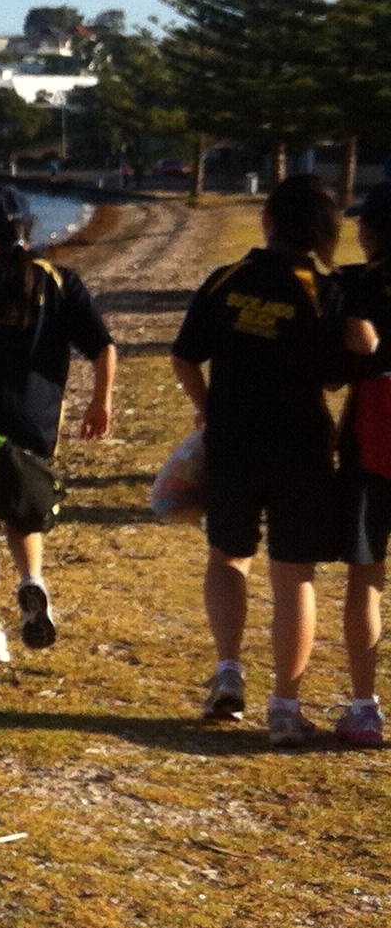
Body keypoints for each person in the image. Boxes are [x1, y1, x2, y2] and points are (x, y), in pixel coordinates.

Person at [170, 173, 368, 745]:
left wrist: (205, 410)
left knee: (228, 556)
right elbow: (340, 374)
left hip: (232, 441)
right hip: (302, 446)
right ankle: (285, 707)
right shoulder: (327, 292)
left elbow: (184, 359)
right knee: (293, 576)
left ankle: (228, 671)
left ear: (268, 221)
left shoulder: (226, 279)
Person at [0, 186, 116, 662]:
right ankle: (31, 581)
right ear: (28, 226)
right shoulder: (60, 282)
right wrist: (100, 402)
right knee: (24, 508)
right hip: (36, 422)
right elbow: (102, 347)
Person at [327, 184, 391, 745]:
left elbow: (343, 362)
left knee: (365, 579)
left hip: (372, 442)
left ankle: (364, 707)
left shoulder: (354, 285)